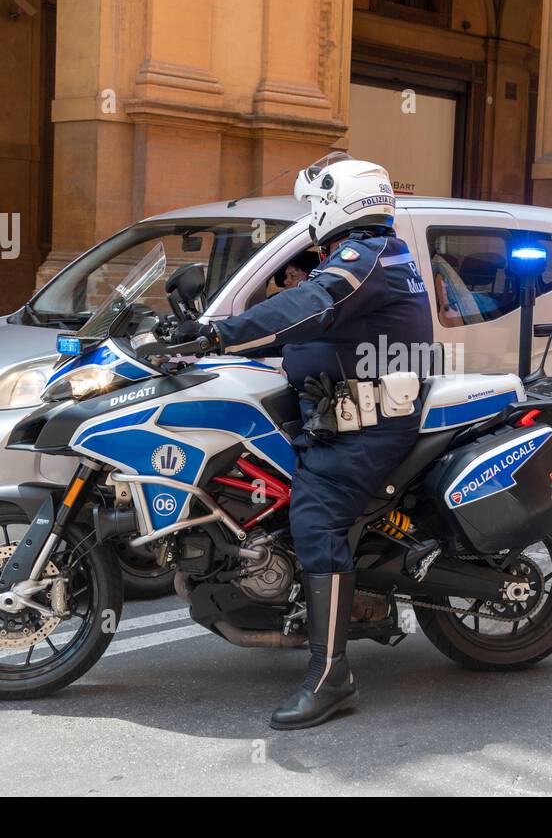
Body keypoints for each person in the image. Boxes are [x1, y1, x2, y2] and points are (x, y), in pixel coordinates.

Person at [177, 154, 432, 730]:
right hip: (336, 411)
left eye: (313, 203)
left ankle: (331, 675)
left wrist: (217, 330)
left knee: (315, 517)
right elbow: (315, 329)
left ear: (336, 202)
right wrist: (213, 349)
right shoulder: (377, 256)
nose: (309, 214)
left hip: (366, 426)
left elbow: (306, 307)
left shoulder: (363, 259)